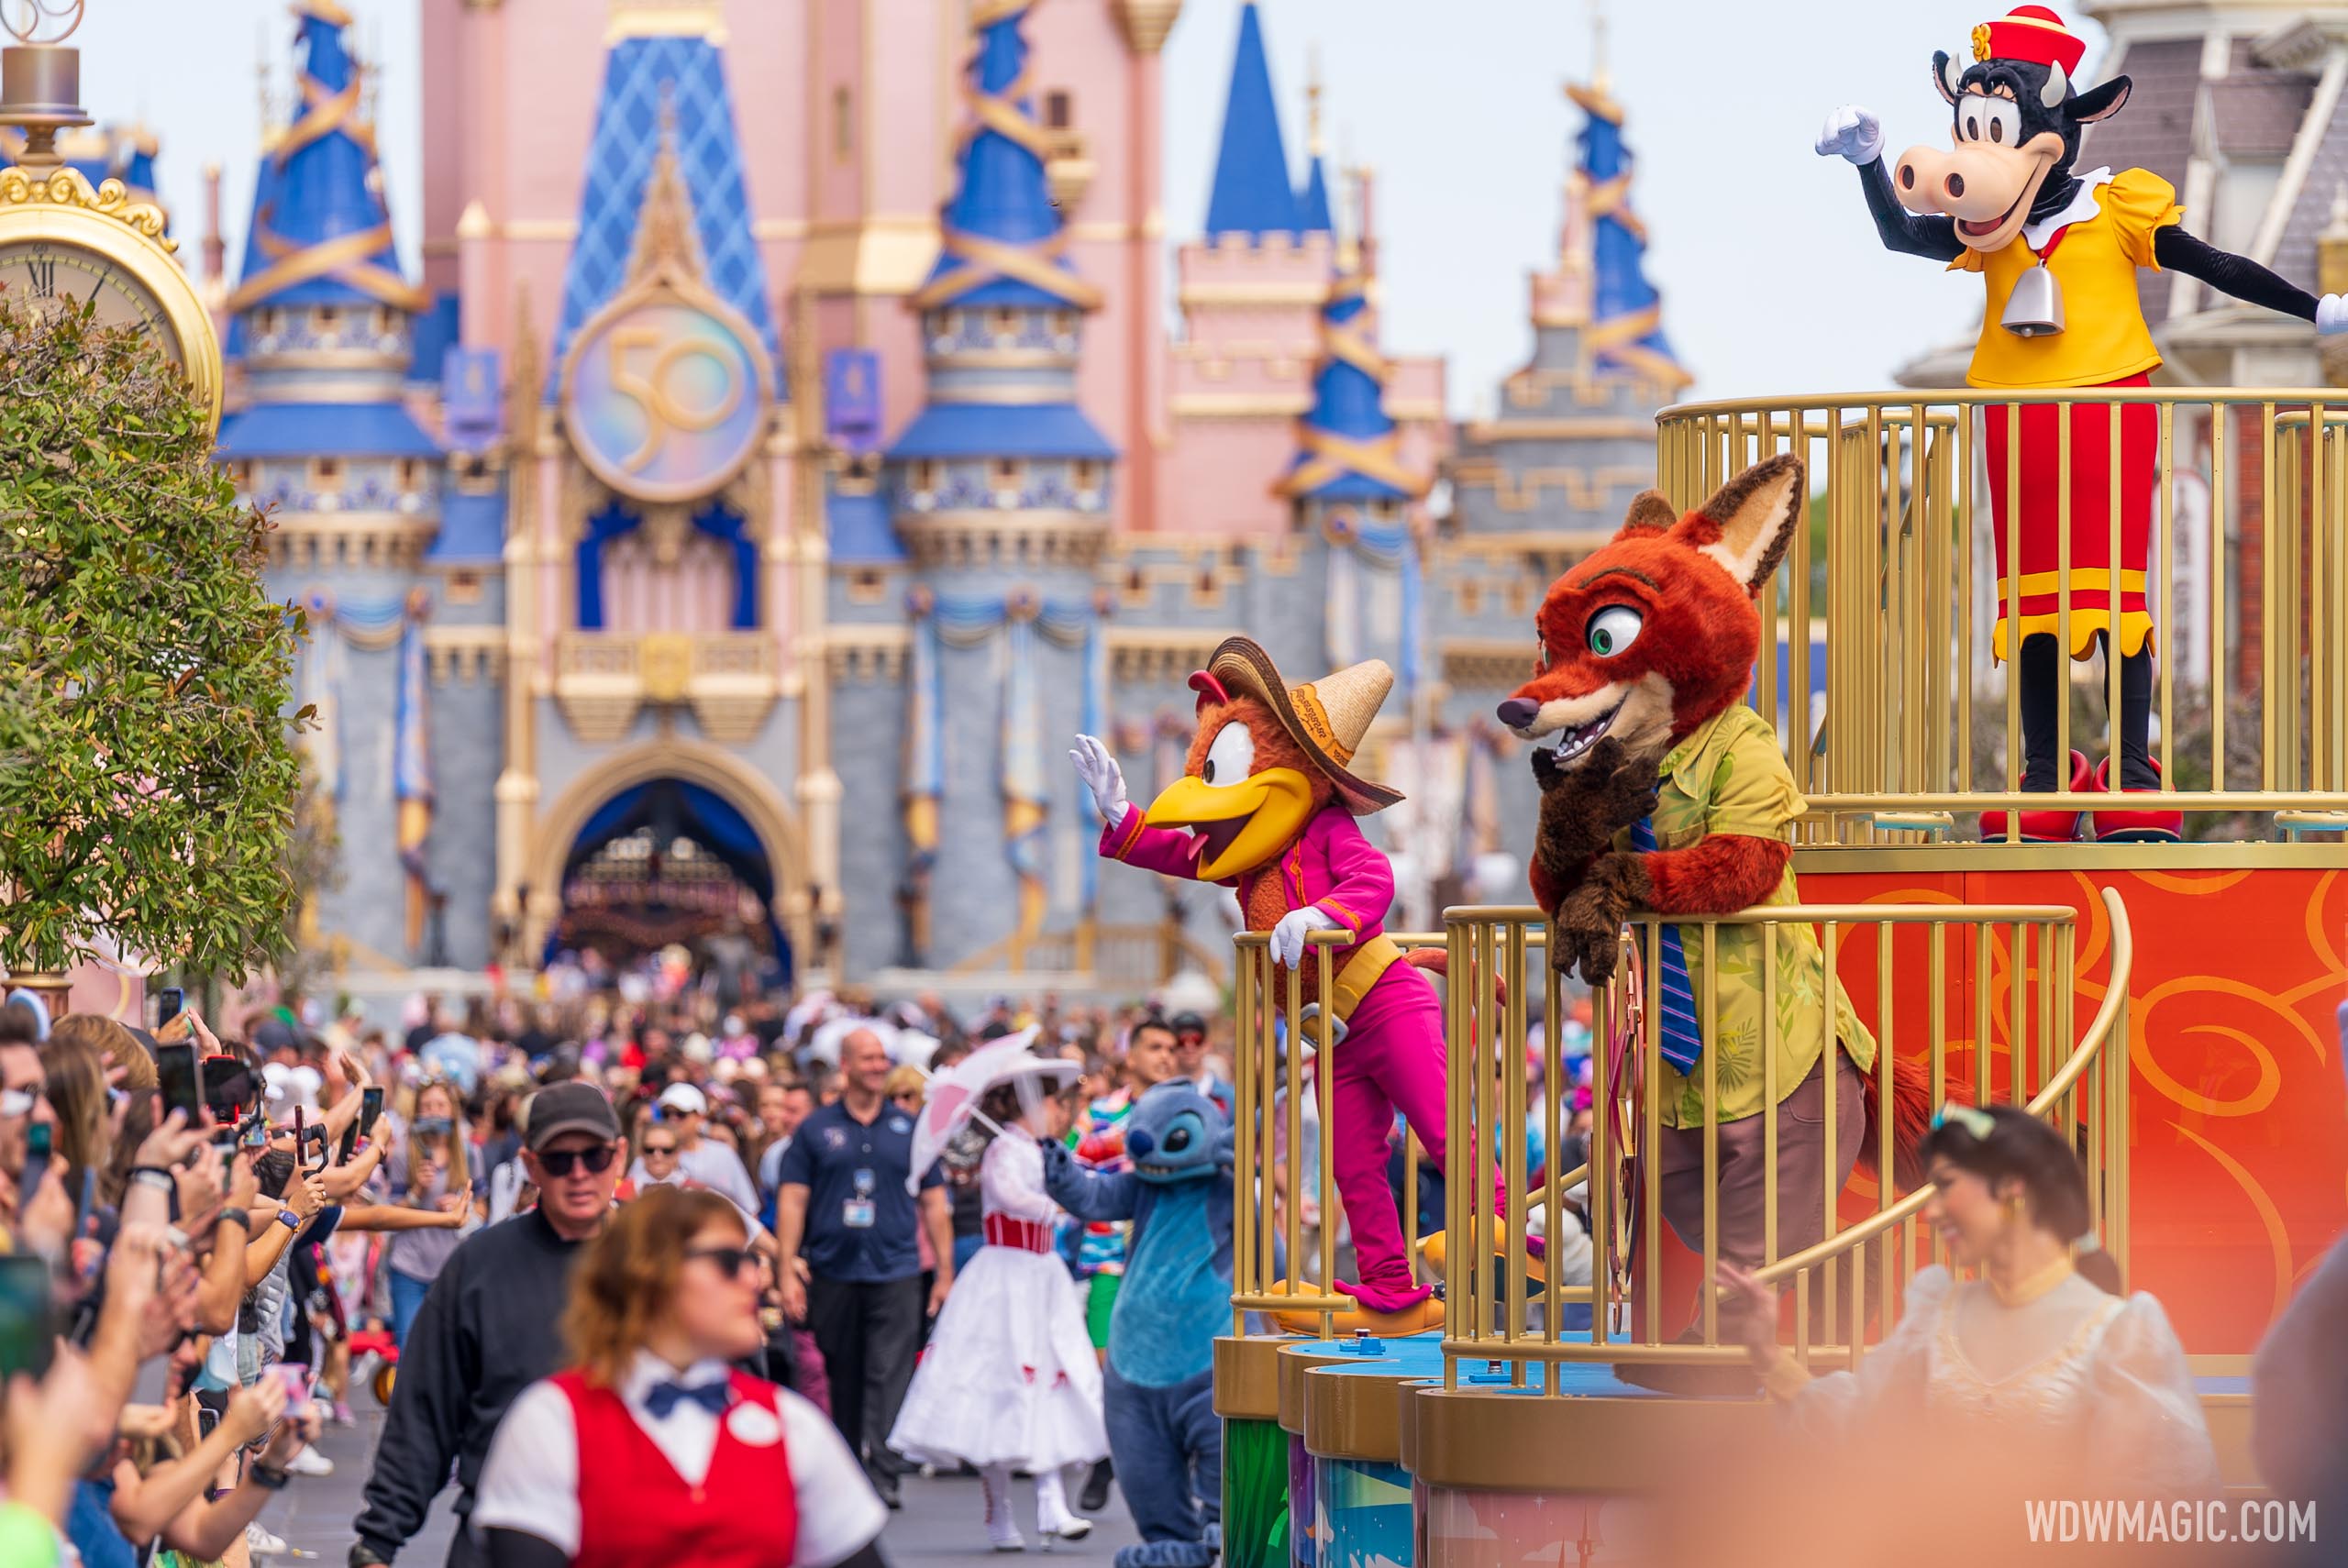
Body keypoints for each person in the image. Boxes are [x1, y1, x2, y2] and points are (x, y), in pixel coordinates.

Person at [1718, 1103, 2219, 1496]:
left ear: (2012, 1188)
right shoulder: (1936, 1313)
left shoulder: (2124, 1333)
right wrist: (1766, 1354)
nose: (1931, 1212)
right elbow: (1863, 1422)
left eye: (1946, 1187)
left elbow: (2156, 1505)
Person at [470, 1185, 886, 1568]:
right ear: (650, 1275)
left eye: (750, 1261)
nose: (752, 1277)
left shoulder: (792, 1424)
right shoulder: (551, 1419)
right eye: (728, 1261)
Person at [352, 1081, 626, 1568]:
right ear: (532, 1165)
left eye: (595, 1157)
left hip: (631, 1527)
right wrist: (378, 1541)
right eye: (560, 1161)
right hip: (504, 1529)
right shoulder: (479, 1265)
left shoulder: (658, 1265)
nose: (580, 1174)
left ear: (619, 1156)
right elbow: (425, 1408)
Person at [890, 1079, 1105, 1551]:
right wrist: (1055, 1203)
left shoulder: (1040, 1148)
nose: (1063, 1111)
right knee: (1000, 1385)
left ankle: (1051, 1502)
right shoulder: (1004, 1149)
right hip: (1005, 1276)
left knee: (1051, 1377)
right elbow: (1010, 1196)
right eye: (1057, 1102)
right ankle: (1000, 1511)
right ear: (1037, 1103)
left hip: (1044, 1275)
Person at [773, 1028, 954, 1508]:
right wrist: (787, 1266)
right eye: (868, 1058)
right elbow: (793, 1199)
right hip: (833, 1270)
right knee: (844, 1371)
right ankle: (850, 1465)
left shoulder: (909, 1127)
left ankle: (886, 1473)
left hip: (896, 1269)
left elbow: (935, 1203)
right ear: (846, 1066)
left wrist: (944, 1273)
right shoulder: (815, 1130)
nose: (877, 1066)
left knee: (890, 1372)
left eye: (882, 1059)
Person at [385, 1078, 482, 1349]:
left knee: (451, 1350)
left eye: (440, 1105)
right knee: (410, 1348)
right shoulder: (405, 1153)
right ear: (417, 1113)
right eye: (426, 1106)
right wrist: (416, 1191)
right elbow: (390, 1214)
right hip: (409, 1267)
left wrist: (463, 1206)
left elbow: (484, 1207)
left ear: (452, 1111)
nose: (434, 1112)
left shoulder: (469, 1153)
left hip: (452, 1268)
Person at [631, 1082, 759, 1216]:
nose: (672, 1119)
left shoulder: (722, 1154)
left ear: (700, 1117)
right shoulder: (650, 1156)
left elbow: (749, 1208)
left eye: (680, 1114)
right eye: (666, 1114)